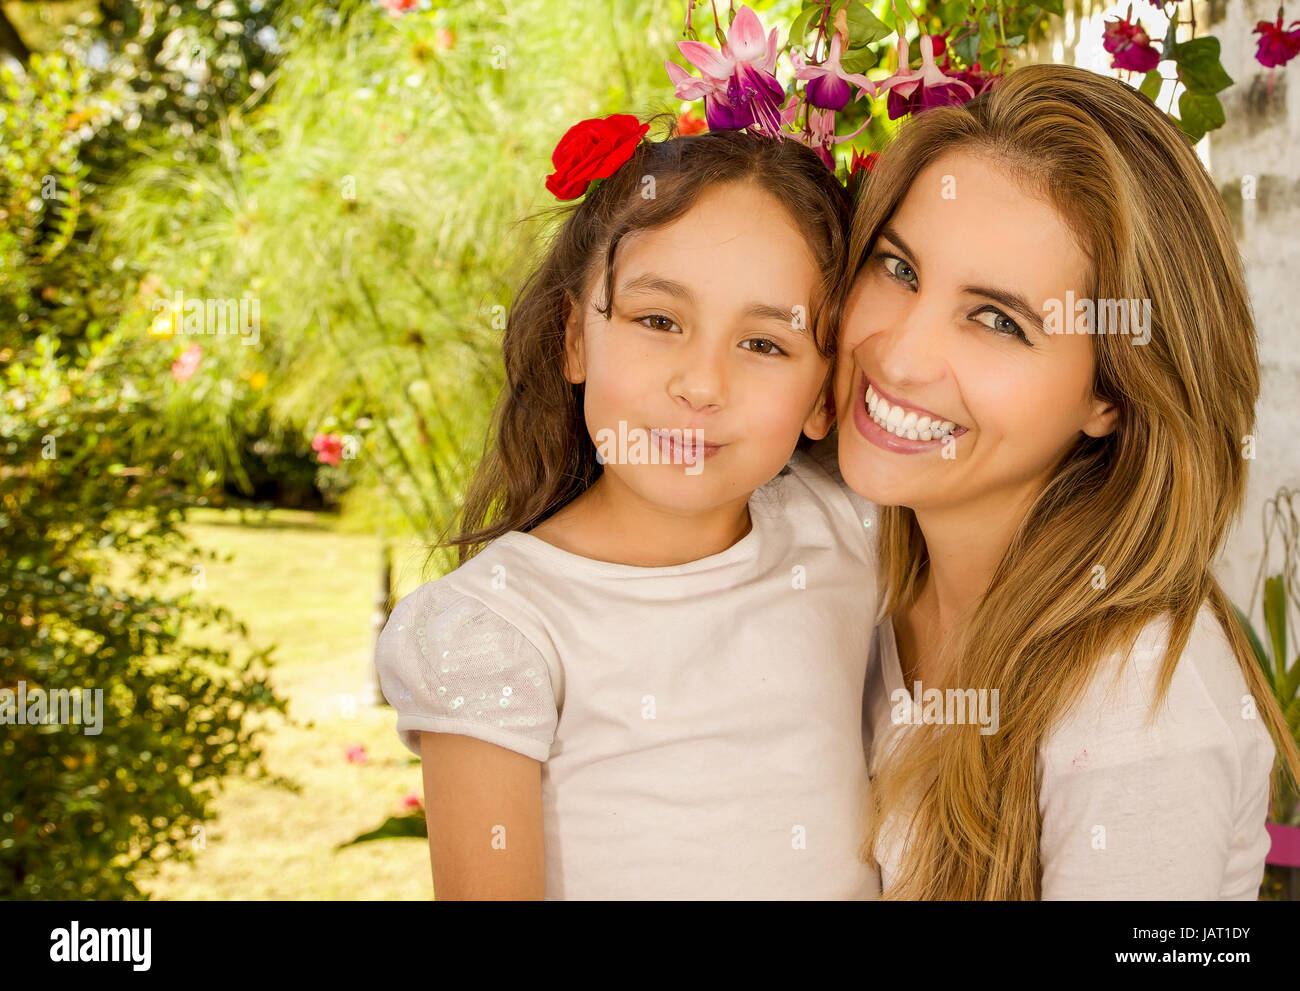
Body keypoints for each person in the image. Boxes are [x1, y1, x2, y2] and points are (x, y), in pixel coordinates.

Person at [376, 115, 881, 899]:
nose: (702, 384)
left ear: (823, 394)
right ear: (575, 338)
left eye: (764, 344)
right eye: (658, 321)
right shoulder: (497, 630)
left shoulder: (847, 528)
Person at [832, 62, 1300, 899]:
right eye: (899, 270)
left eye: (997, 320)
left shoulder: (1137, 709)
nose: (897, 355)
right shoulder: (851, 562)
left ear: (1111, 393)